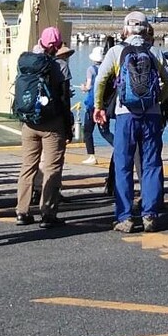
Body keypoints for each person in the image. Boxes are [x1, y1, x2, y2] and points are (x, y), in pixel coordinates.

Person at [93, 11, 168, 232]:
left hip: (125, 114)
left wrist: (99, 106)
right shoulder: (155, 52)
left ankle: (125, 217)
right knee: (151, 164)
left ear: (126, 29)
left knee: (124, 166)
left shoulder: (116, 51)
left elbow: (101, 80)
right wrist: (157, 99)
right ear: (147, 29)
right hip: (152, 115)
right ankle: (150, 214)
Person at [14, 27, 74, 228]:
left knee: (27, 166)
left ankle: (22, 212)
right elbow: (64, 99)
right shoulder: (60, 65)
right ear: (55, 45)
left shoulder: (25, 61)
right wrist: (69, 125)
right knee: (52, 167)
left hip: (29, 121)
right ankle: (47, 213)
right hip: (52, 124)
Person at [79, 47, 105, 164]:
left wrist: (83, 88)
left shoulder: (91, 69)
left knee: (88, 131)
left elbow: (89, 86)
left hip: (91, 103)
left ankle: (91, 156)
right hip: (103, 103)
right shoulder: (105, 68)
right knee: (104, 131)